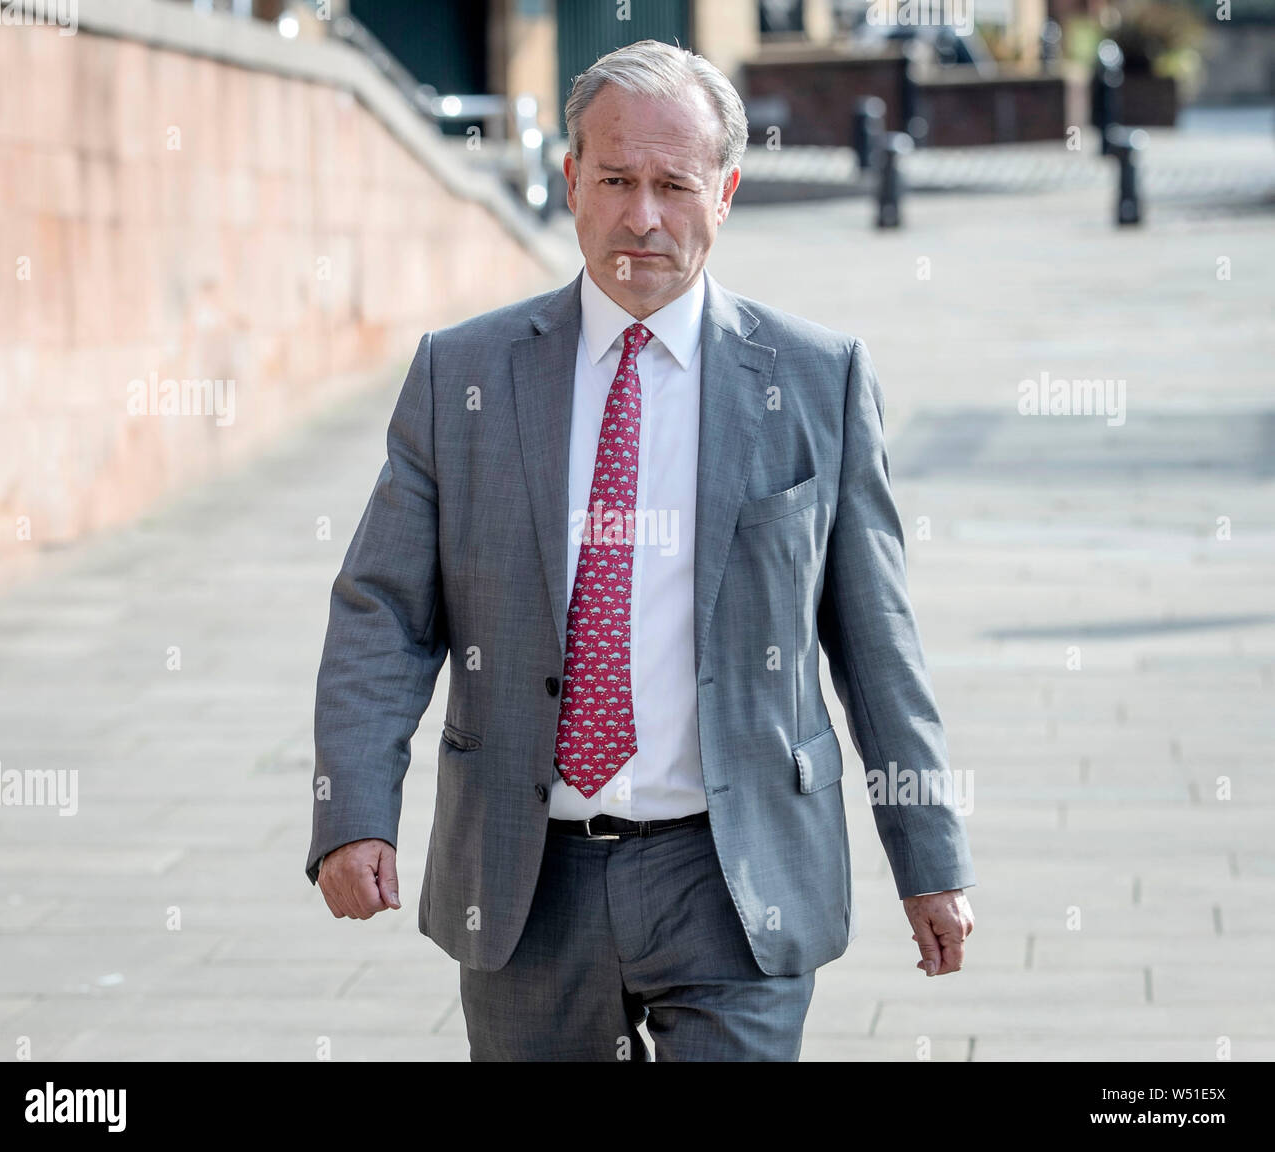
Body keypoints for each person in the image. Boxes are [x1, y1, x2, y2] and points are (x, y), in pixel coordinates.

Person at [305, 38, 975, 1062]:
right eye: (615, 179)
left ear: (727, 193)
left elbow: (876, 645)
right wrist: (353, 810)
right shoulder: (465, 376)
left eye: (674, 184)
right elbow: (384, 611)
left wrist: (928, 855)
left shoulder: (814, 380)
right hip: (527, 883)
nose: (642, 216)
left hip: (734, 876)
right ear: (572, 181)